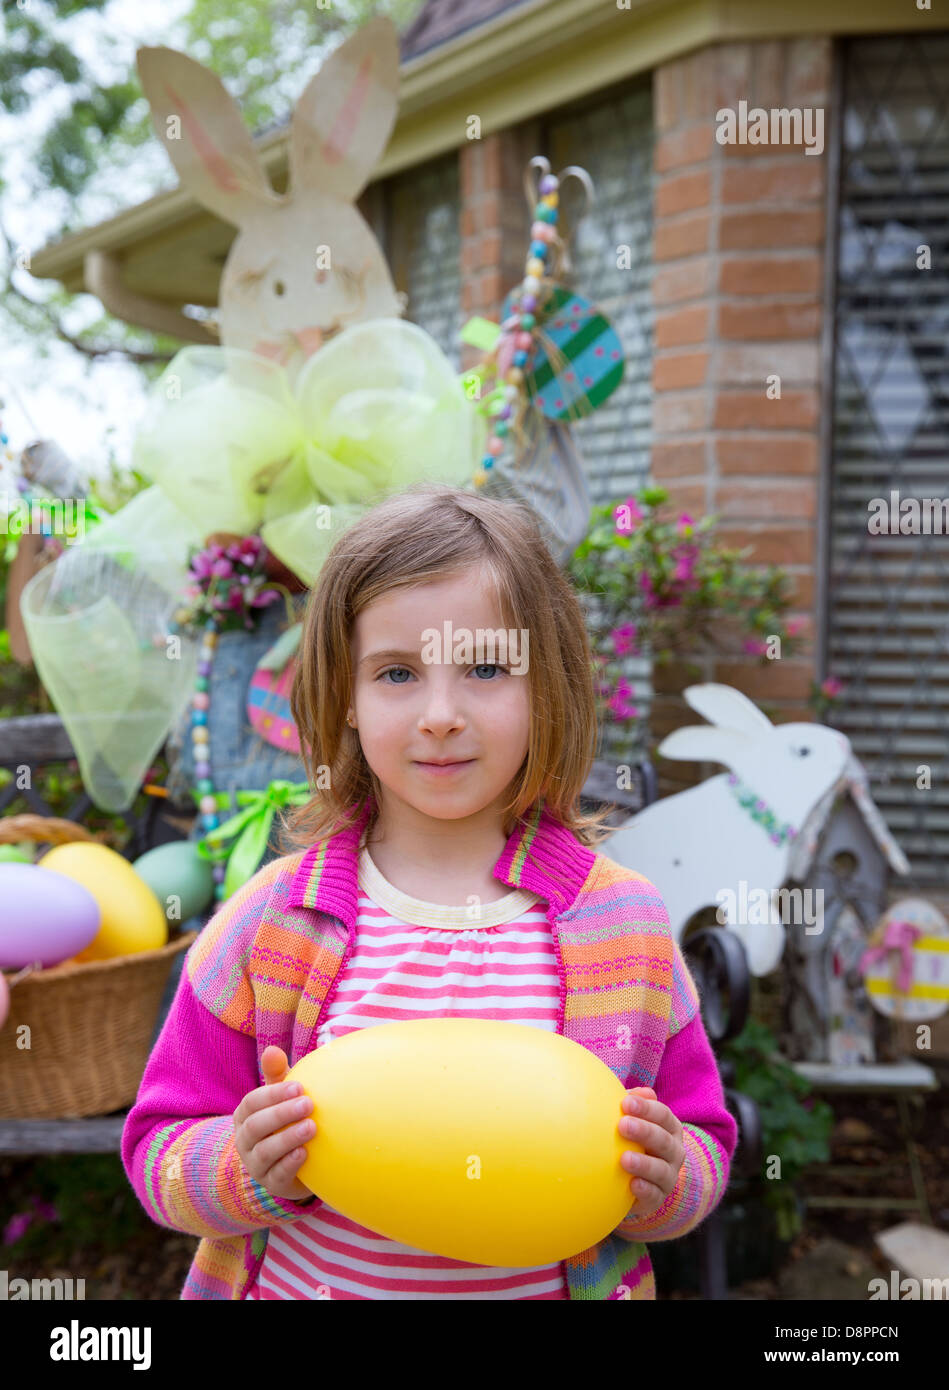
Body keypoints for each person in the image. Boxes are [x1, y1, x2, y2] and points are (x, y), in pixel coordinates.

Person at [120, 481, 737, 1301]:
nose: (440, 714)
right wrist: (245, 1164)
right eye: (397, 673)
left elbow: (702, 1140)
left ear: (545, 685)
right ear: (344, 695)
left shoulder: (623, 925)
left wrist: (665, 1179)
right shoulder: (273, 922)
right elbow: (157, 1148)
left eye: (484, 667)